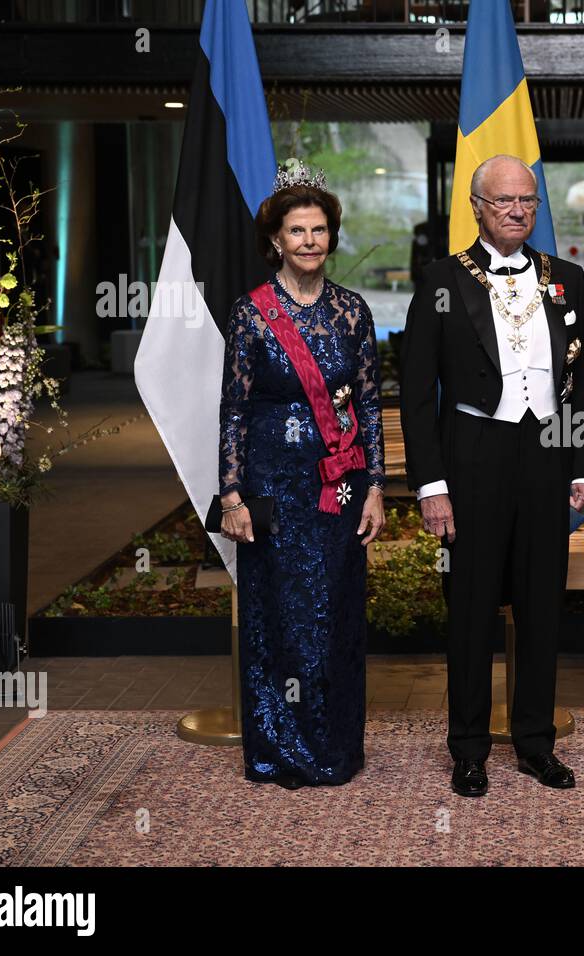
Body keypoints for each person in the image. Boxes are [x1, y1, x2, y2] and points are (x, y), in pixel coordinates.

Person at [400, 155, 584, 798]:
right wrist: (430, 485)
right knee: (471, 608)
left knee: (542, 606)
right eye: (505, 200)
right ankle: (468, 748)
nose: (518, 210)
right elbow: (413, 392)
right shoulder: (438, 278)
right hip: (474, 454)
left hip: (546, 451)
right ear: (477, 206)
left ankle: (535, 743)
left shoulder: (566, 278)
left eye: (528, 200)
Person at [218, 162, 386, 790]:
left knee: (336, 612)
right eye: (298, 231)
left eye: (319, 230)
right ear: (276, 241)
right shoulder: (251, 314)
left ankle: (335, 745)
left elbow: (368, 404)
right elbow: (233, 407)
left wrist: (376, 488)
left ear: (330, 237)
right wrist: (231, 494)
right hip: (268, 488)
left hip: (336, 485)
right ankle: (277, 749)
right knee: (277, 615)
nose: (310, 241)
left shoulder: (352, 312)